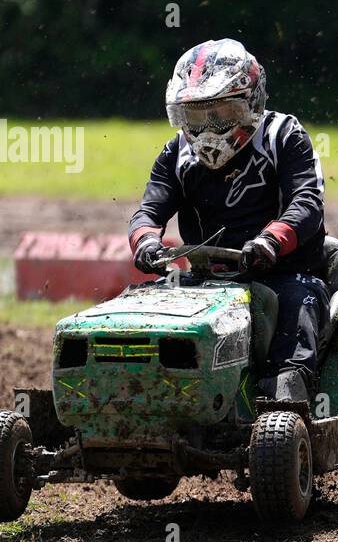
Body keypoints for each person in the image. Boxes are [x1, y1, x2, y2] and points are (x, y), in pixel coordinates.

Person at [128, 38, 327, 401]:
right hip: (205, 280)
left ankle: (284, 402)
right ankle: (140, 390)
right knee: (140, 305)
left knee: (298, 303)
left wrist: (269, 241)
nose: (206, 129)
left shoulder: (283, 137)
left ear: (250, 103)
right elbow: (149, 211)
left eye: (218, 114)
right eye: (195, 116)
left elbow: (307, 202)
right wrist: (146, 243)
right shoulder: (177, 153)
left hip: (281, 273)